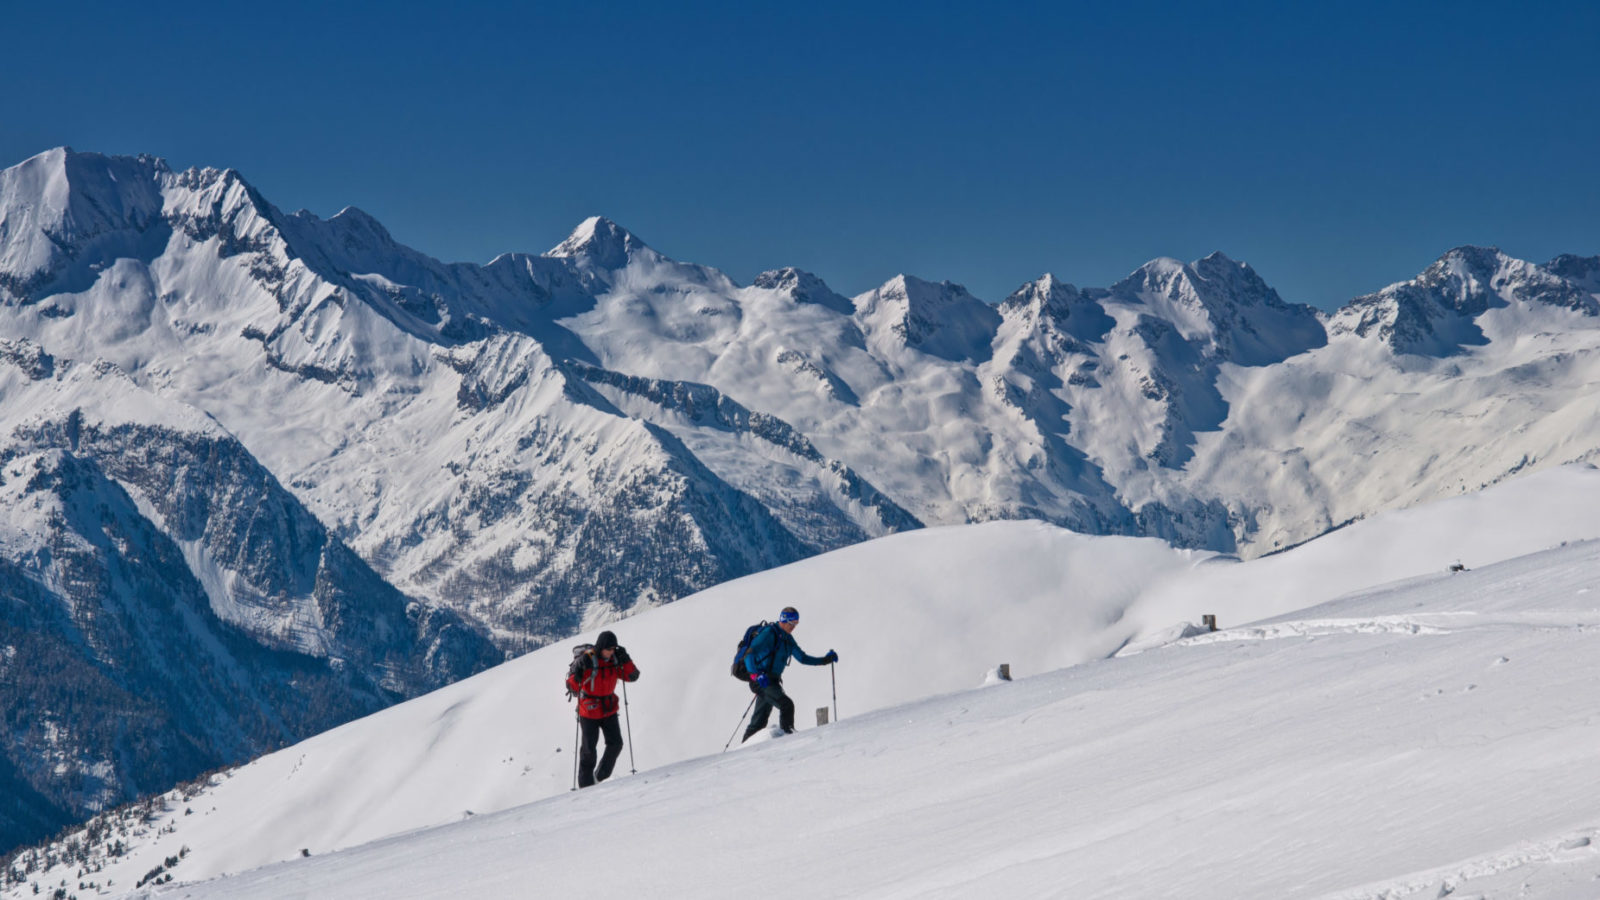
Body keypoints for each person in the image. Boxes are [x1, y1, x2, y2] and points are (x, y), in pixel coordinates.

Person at [741, 607, 837, 742]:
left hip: (773, 681)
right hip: (761, 680)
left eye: (796, 623)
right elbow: (749, 654)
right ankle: (788, 740)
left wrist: (826, 660)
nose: (794, 627)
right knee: (786, 705)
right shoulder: (769, 633)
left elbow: (803, 658)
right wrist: (756, 675)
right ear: (783, 619)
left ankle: (743, 748)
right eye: (792, 623)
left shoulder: (788, 639)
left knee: (759, 721)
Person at [567, 630, 639, 788]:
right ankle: (585, 788)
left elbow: (632, 676)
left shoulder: (614, 660)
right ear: (601, 647)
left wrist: (626, 659)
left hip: (608, 709)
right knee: (588, 752)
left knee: (616, 744)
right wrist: (578, 672)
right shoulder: (588, 661)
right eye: (609, 649)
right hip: (589, 712)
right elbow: (572, 686)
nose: (611, 652)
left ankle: (599, 777)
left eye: (614, 649)